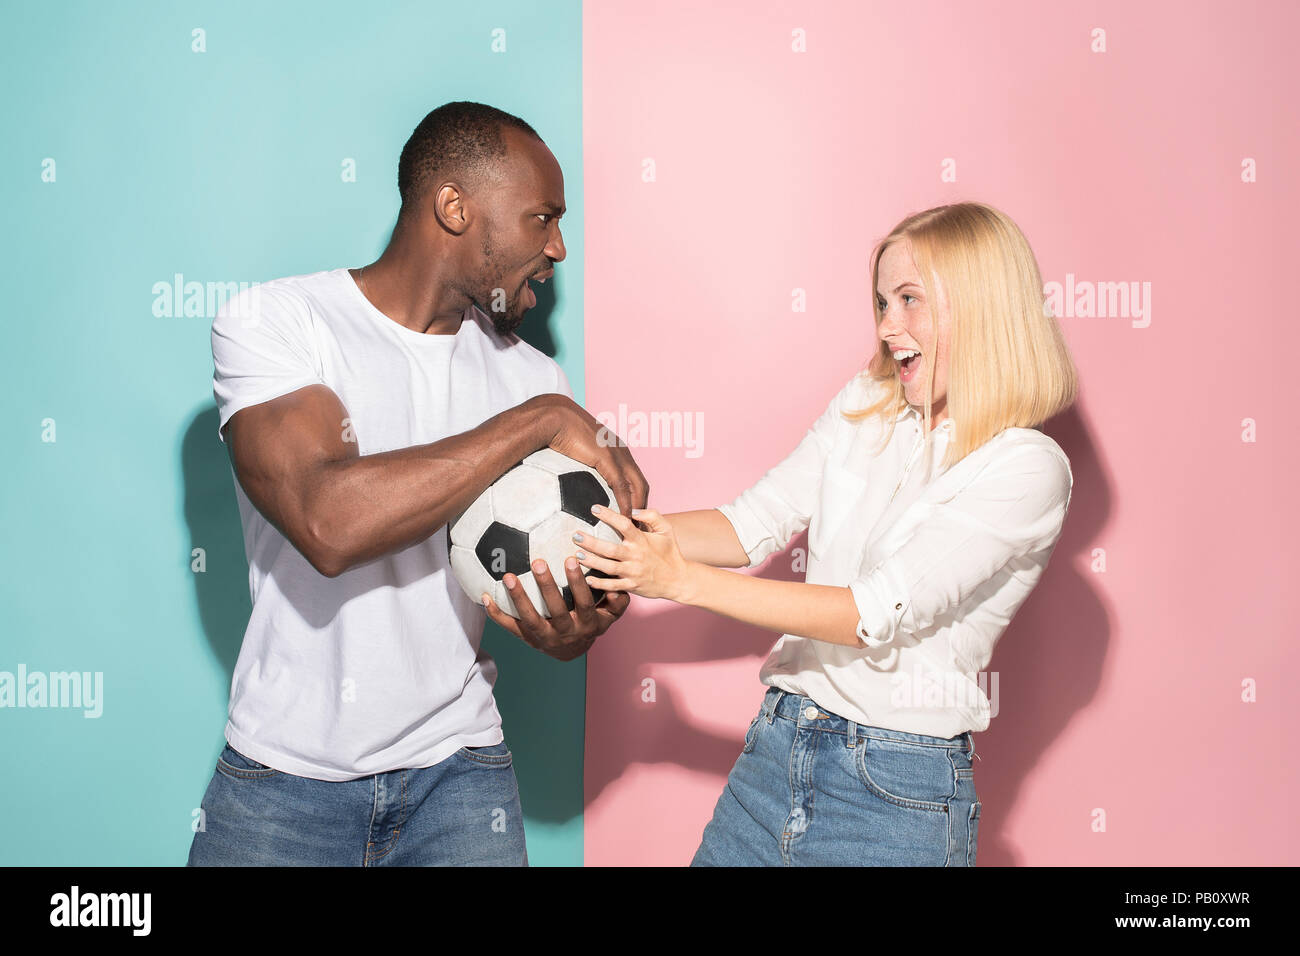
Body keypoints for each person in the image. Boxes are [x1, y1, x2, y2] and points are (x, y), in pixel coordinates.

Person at [187, 102, 648, 867]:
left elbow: (534, 586)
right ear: (454, 207)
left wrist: (574, 620)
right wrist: (533, 422)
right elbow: (328, 521)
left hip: (460, 778)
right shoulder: (279, 323)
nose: (558, 248)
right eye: (542, 218)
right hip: (285, 779)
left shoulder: (532, 377)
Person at [574, 201, 1078, 866]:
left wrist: (678, 582)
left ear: (980, 306)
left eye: (909, 300)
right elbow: (750, 523)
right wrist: (611, 531)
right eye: (880, 303)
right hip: (777, 750)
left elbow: (871, 613)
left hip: (895, 793)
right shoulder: (864, 405)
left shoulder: (1026, 469)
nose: (887, 326)